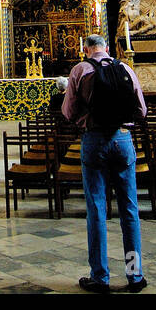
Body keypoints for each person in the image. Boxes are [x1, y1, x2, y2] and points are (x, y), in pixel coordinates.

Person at [62, 35, 147, 293]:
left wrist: (84, 117)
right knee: (129, 210)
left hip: (95, 139)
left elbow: (67, 111)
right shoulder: (125, 69)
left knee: (97, 209)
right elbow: (141, 110)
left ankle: (100, 276)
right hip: (123, 139)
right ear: (107, 49)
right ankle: (135, 275)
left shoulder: (80, 70)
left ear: (85, 50)